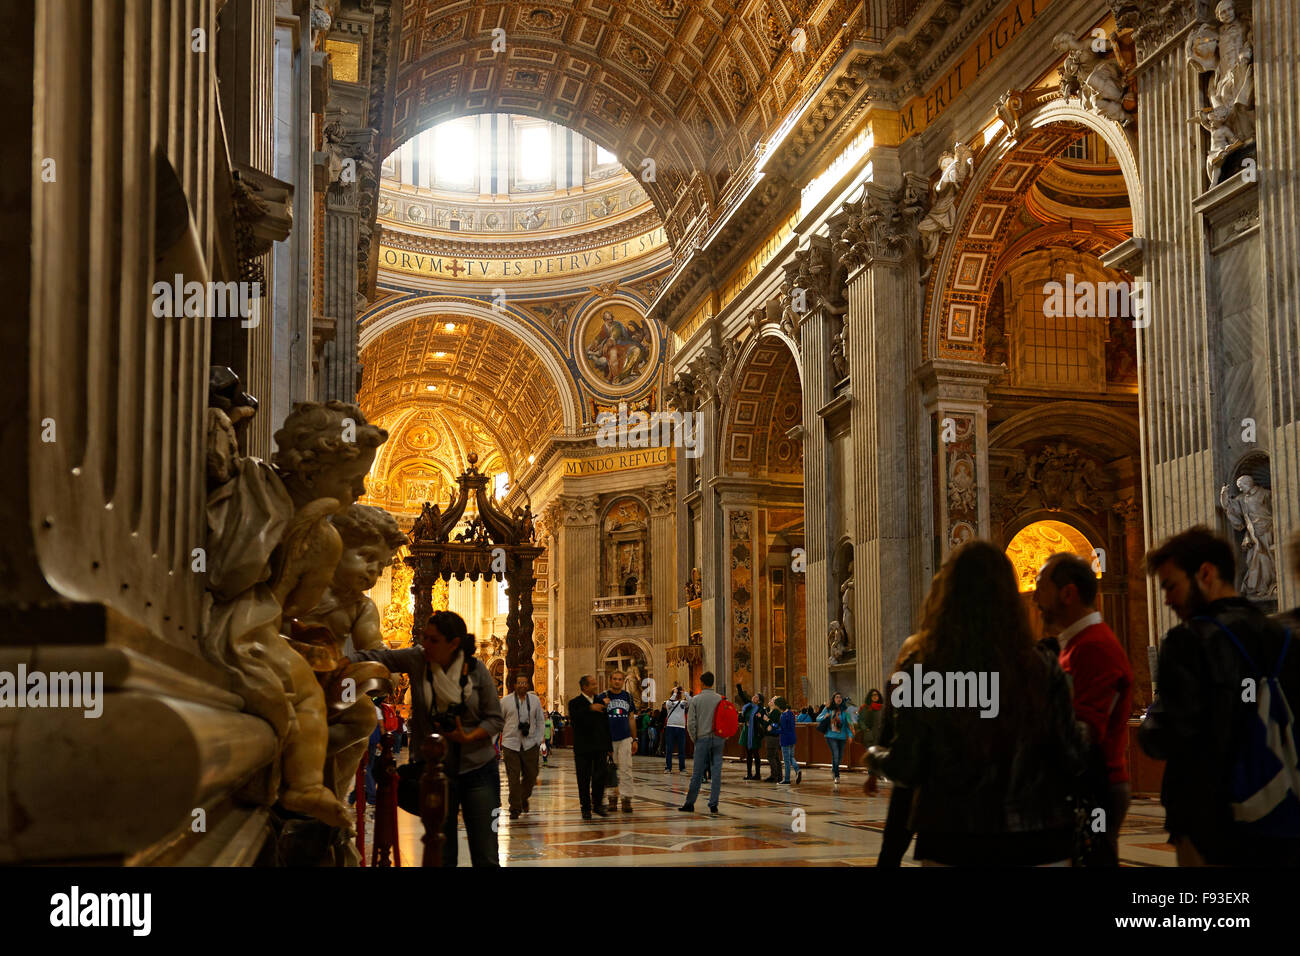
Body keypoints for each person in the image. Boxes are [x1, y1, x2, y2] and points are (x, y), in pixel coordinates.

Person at [866, 540, 1082, 866]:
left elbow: (907, 768)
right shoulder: (1045, 666)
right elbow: (1071, 756)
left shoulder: (923, 671)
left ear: (947, 597)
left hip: (954, 839)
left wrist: (873, 755)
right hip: (1039, 838)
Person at [1139, 526, 1300, 866]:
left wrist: (1150, 725)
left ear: (1206, 574)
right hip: (1278, 809)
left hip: (1206, 819)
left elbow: (1165, 736)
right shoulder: (1284, 635)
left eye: (1171, 586)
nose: (1167, 599)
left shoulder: (1187, 641)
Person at [351, 610, 503, 867]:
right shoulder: (418, 659)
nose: (426, 645)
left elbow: (495, 719)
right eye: (425, 638)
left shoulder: (477, 670)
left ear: (453, 643)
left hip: (478, 768)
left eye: (433, 640)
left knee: (486, 851)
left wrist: (466, 736)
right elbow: (379, 657)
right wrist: (338, 657)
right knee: (440, 852)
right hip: (435, 772)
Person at [1035, 552, 1135, 865]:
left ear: (1068, 593)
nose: (1035, 596)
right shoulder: (1076, 645)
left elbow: (1086, 731)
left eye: (1040, 586)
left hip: (1097, 787)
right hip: (1086, 783)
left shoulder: (1093, 646)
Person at [500, 674, 545, 820]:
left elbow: (540, 721)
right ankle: (515, 807)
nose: (522, 685)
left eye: (524, 683)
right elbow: (499, 721)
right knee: (513, 778)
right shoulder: (505, 701)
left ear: (528, 685)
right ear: (514, 686)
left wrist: (538, 740)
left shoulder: (535, 700)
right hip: (510, 743)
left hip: (530, 743)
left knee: (531, 776)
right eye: (519, 683)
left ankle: (522, 797)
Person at [679, 672, 725, 813]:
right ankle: (713, 804)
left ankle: (690, 803)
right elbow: (726, 720)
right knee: (716, 772)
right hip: (718, 739)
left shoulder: (696, 700)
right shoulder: (720, 699)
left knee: (697, 772)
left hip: (702, 738)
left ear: (702, 683)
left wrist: (695, 738)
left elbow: (691, 723)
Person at [569, 675, 613, 820]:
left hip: (600, 746)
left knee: (600, 776)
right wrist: (590, 708)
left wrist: (609, 746)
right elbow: (575, 720)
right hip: (583, 747)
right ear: (585, 687)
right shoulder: (575, 703)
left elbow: (606, 725)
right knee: (583, 778)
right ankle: (585, 808)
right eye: (593, 684)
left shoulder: (600, 701)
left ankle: (598, 804)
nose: (596, 686)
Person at [599, 670, 638, 813]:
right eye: (615, 679)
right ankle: (612, 799)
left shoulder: (628, 697)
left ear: (623, 681)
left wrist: (635, 739)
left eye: (620, 679)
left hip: (625, 737)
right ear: (610, 680)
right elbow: (597, 719)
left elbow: (631, 718)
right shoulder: (602, 696)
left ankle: (626, 799)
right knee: (610, 770)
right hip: (608, 739)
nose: (617, 681)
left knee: (626, 768)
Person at [817, 693, 852, 785]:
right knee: (835, 755)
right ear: (833, 699)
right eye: (837, 697)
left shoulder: (845, 710)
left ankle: (834, 768)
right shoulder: (828, 709)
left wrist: (850, 735)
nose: (839, 698)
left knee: (840, 756)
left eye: (840, 697)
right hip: (830, 736)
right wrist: (824, 716)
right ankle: (837, 775)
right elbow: (818, 718)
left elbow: (848, 724)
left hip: (842, 736)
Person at [663, 685, 690, 773]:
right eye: (676, 693)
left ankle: (682, 768)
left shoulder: (683, 702)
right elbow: (668, 704)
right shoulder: (668, 702)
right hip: (671, 727)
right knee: (669, 749)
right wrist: (674, 694)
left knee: (682, 749)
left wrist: (685, 692)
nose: (678, 694)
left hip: (681, 727)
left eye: (678, 693)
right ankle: (668, 767)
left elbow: (691, 702)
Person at [741, 693, 765, 779]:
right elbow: (742, 718)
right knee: (748, 754)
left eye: (756, 697)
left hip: (755, 733)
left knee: (756, 754)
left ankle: (758, 774)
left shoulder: (760, 709)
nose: (754, 697)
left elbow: (761, 719)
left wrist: (752, 722)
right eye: (754, 695)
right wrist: (746, 721)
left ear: (759, 701)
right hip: (747, 732)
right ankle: (749, 773)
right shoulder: (748, 707)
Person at [778, 698, 801, 784]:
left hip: (785, 739)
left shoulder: (783, 715)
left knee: (786, 760)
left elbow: (782, 729)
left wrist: (773, 729)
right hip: (792, 737)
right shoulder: (791, 713)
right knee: (791, 757)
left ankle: (787, 779)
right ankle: (797, 770)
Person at [763, 696, 784, 782]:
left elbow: (774, 724)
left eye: (772, 700)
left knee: (770, 756)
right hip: (770, 736)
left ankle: (774, 775)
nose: (770, 700)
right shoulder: (770, 711)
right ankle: (778, 775)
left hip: (773, 736)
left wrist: (767, 720)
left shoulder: (775, 712)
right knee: (775, 757)